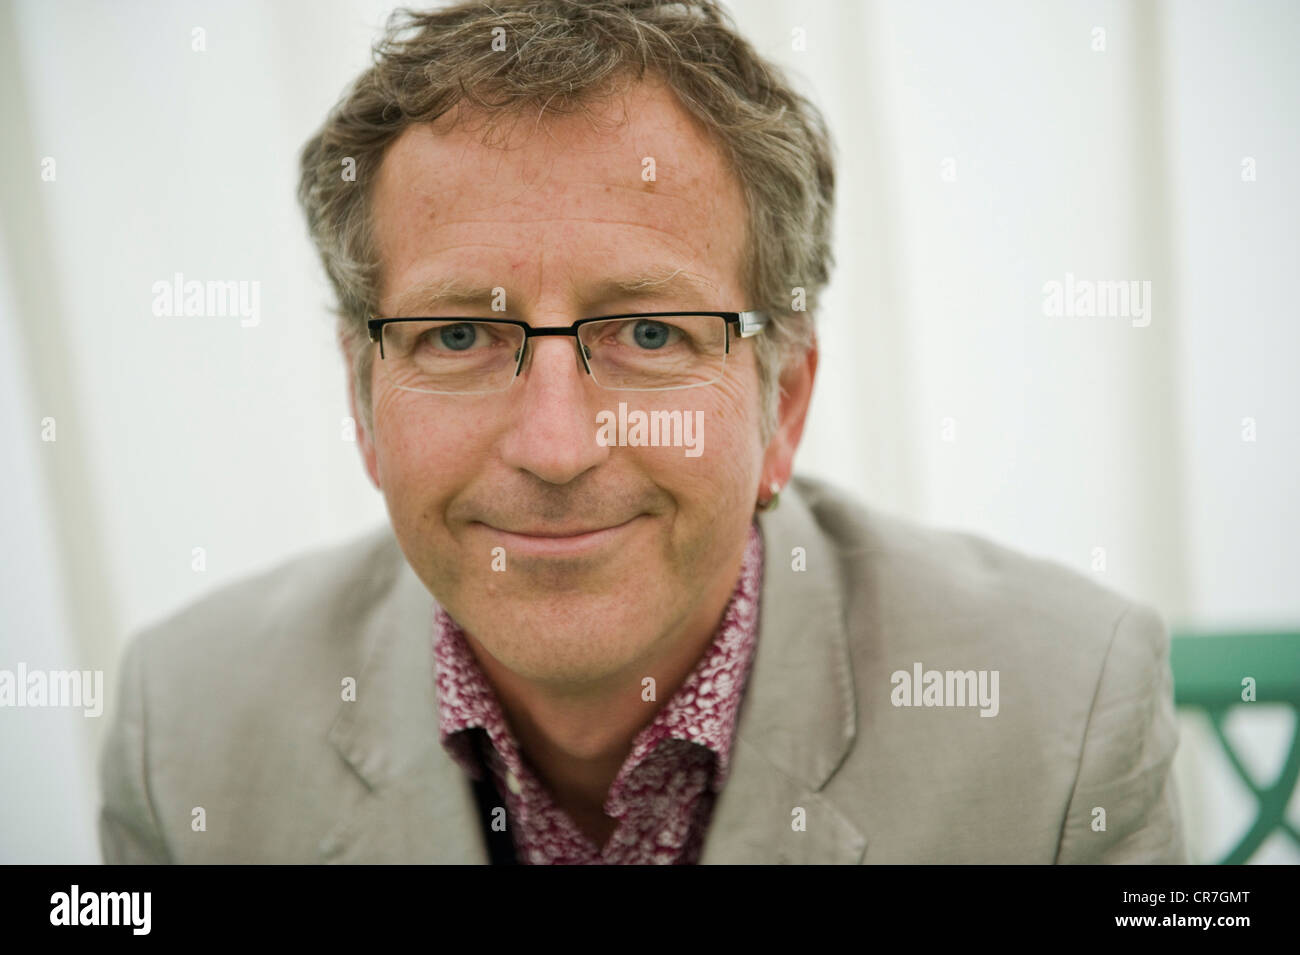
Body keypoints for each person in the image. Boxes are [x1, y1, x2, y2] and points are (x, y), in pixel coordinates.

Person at [98, 0, 1187, 864]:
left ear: (782, 401)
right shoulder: (184, 735)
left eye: (651, 332)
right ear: (362, 398)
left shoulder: (1061, 717)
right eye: (458, 334)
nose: (556, 446)